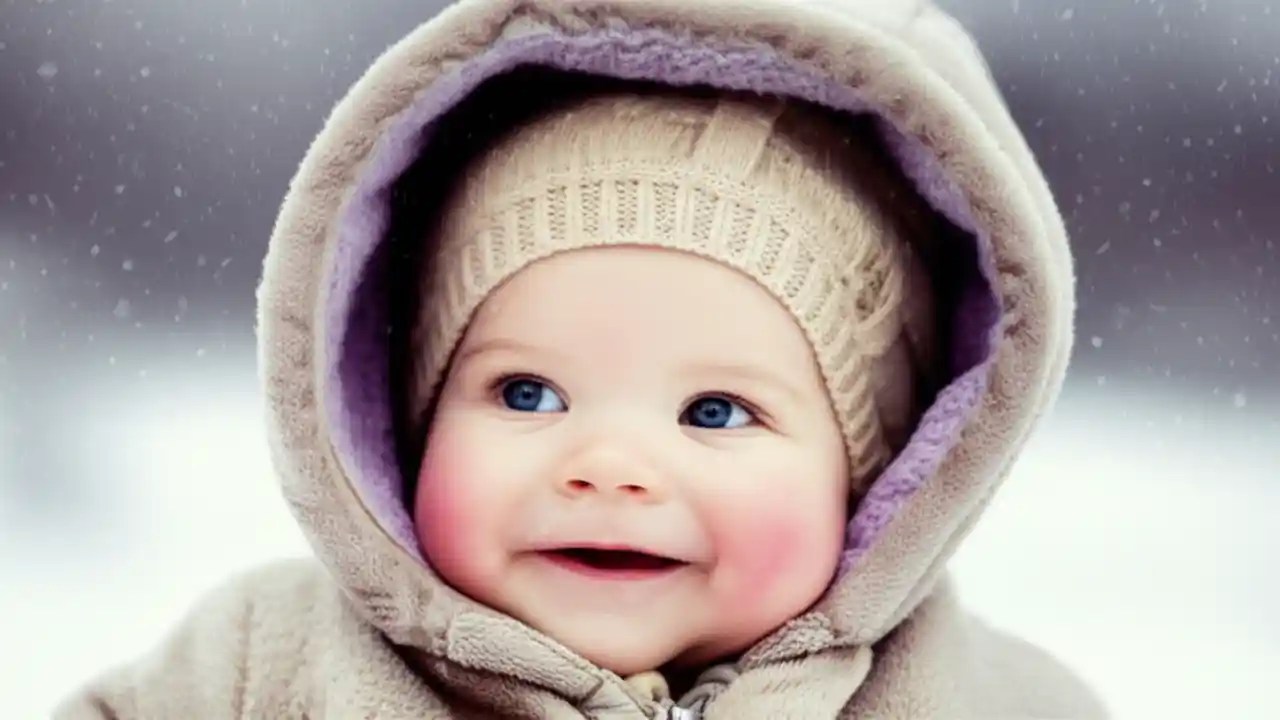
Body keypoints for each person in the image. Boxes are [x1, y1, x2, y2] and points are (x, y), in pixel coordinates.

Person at [58, 1, 1107, 717]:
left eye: (713, 412)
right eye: (525, 392)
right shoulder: (263, 662)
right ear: (412, 421)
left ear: (876, 481)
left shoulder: (982, 697)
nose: (607, 465)